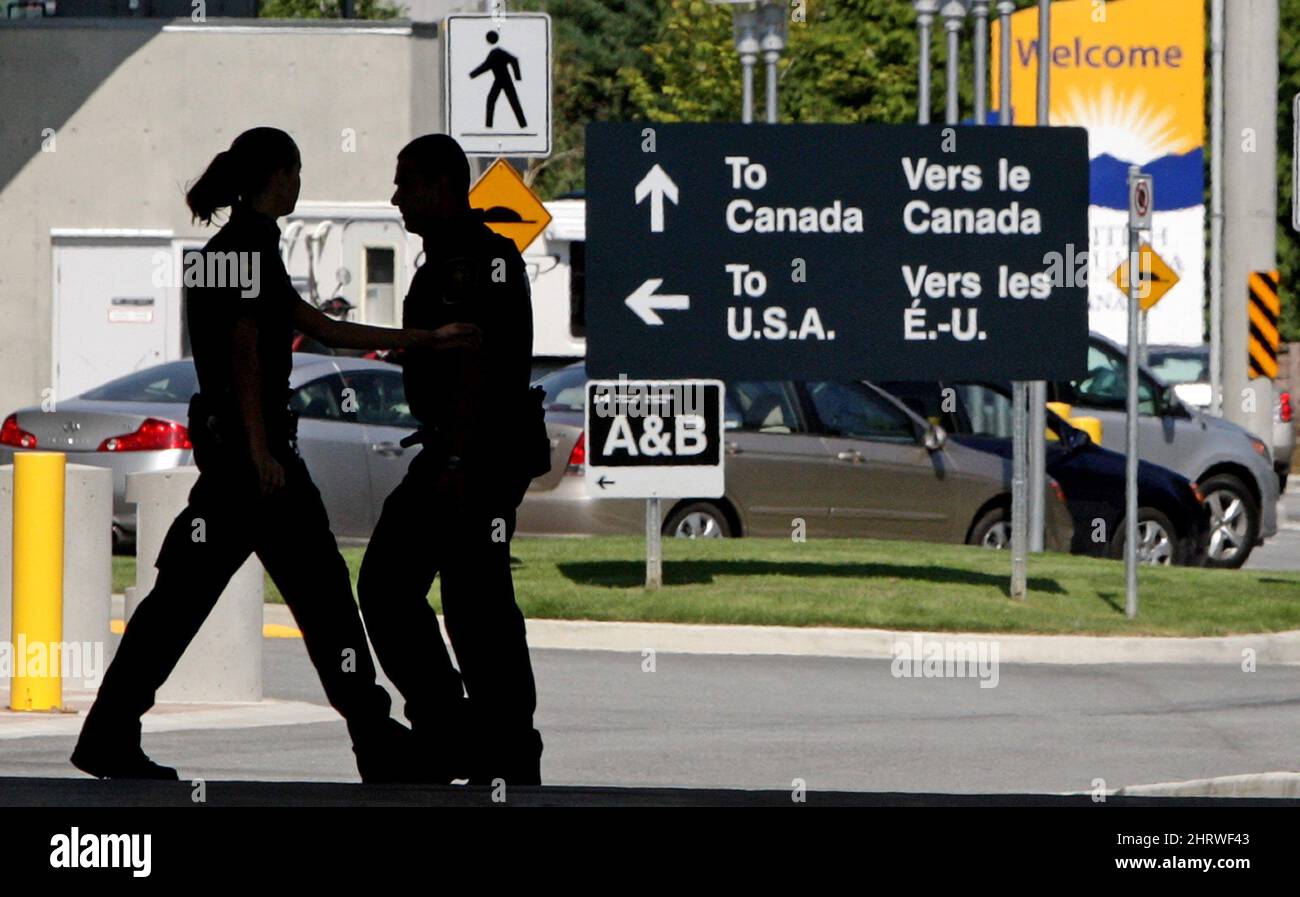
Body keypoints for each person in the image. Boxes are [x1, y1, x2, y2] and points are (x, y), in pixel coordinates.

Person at [70, 127, 477, 782]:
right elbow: (243, 348)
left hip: (233, 465)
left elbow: (320, 326)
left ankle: (110, 729)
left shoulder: (224, 252)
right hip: (261, 470)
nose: (300, 184)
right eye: (297, 171)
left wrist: (424, 338)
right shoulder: (250, 249)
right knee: (323, 602)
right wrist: (262, 451)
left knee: (180, 602)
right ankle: (374, 738)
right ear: (278, 176)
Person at [357, 134, 549, 786]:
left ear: (441, 186)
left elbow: (473, 363)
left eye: (406, 183)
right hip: (463, 450)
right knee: (467, 597)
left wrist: (459, 460)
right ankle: (482, 735)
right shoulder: (452, 255)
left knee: (434, 594)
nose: (396, 197)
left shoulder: (470, 262)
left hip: (474, 454)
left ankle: (480, 735)